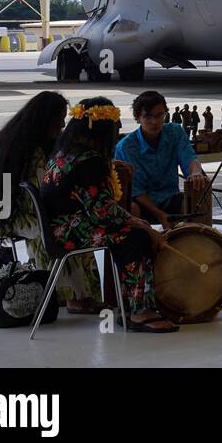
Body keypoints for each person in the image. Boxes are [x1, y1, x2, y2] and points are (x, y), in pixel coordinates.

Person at [41, 97, 176, 333]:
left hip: (59, 228)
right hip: (67, 232)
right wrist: (143, 226)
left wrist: (137, 221)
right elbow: (103, 212)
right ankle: (139, 310)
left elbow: (99, 208)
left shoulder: (65, 153)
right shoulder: (90, 161)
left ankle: (131, 304)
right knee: (136, 238)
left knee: (134, 230)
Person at [0, 91, 104, 313]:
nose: (62, 125)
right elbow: (40, 195)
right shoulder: (30, 151)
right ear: (46, 120)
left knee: (65, 225)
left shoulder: (26, 141)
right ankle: (60, 292)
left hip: (12, 210)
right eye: (59, 120)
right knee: (46, 229)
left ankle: (78, 293)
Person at [114, 91, 210, 227]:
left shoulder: (175, 132)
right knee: (131, 208)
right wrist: (161, 215)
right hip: (142, 203)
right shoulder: (126, 147)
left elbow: (189, 158)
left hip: (170, 198)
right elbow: (136, 190)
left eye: (160, 115)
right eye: (148, 117)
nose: (155, 122)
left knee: (198, 194)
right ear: (137, 118)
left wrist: (196, 173)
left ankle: (197, 242)